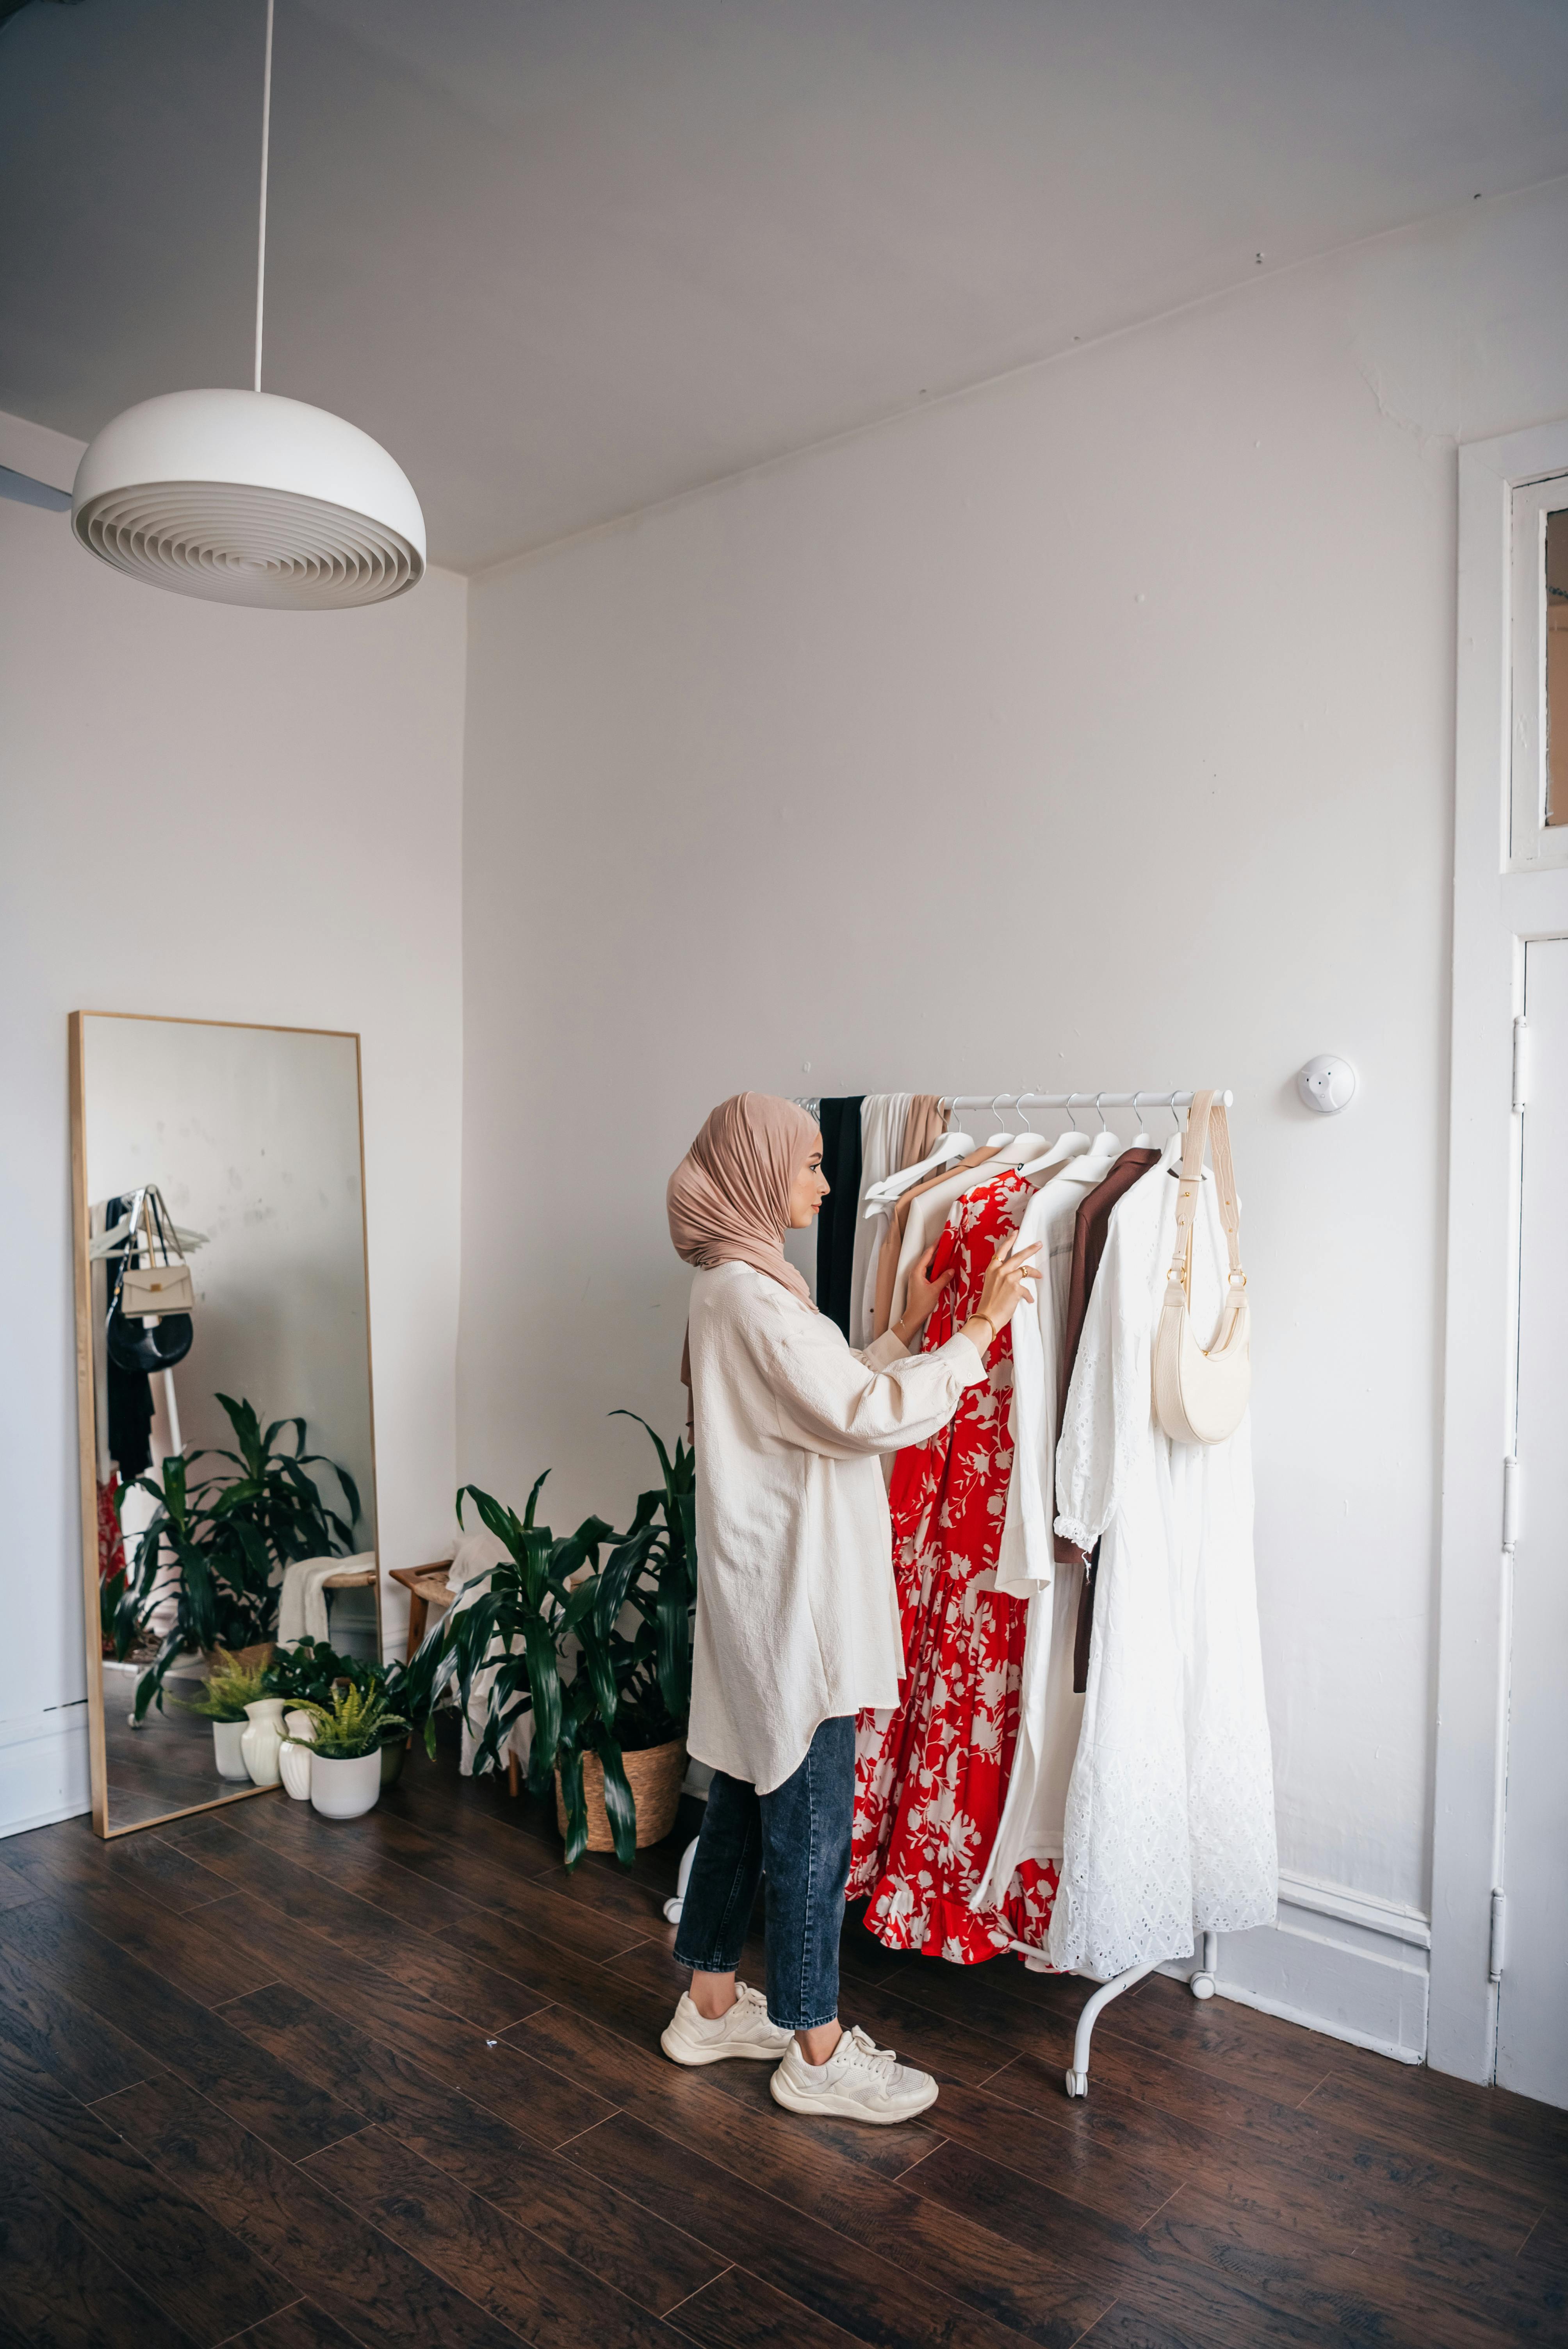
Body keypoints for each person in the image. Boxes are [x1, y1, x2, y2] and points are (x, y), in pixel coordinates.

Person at [659, 1093, 1038, 2123]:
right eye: (812, 1165)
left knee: (743, 1784)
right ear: (755, 1170)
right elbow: (865, 1418)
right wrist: (981, 1332)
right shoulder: (756, 1298)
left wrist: (903, 1332)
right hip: (797, 1594)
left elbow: (813, 1401)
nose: (826, 1187)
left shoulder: (727, 1288)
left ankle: (707, 2003)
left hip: (763, 1586)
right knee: (815, 1816)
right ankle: (818, 2050)